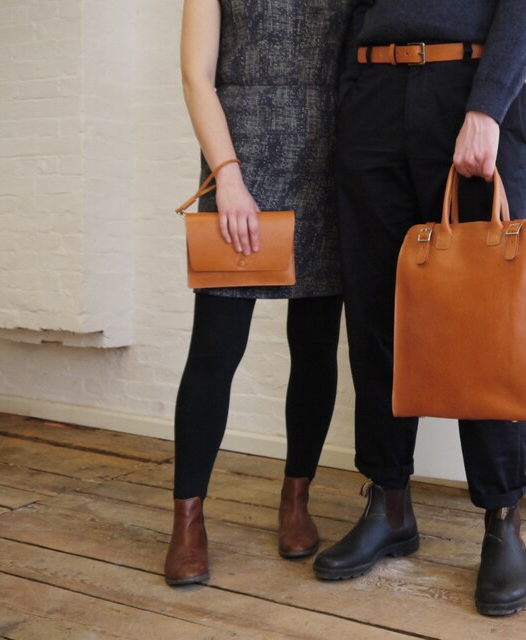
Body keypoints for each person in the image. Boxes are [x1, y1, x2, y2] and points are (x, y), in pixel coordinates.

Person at [312, 0, 526, 617]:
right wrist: (352, 93)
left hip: (467, 95)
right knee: (376, 316)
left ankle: (503, 519)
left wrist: (486, 105)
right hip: (372, 101)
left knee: (483, 328)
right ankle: (388, 503)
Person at [165, 0, 354, 586]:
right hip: (239, 162)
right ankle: (187, 520)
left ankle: (297, 497)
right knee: (214, 352)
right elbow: (197, 74)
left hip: (330, 153)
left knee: (316, 348)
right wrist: (226, 175)